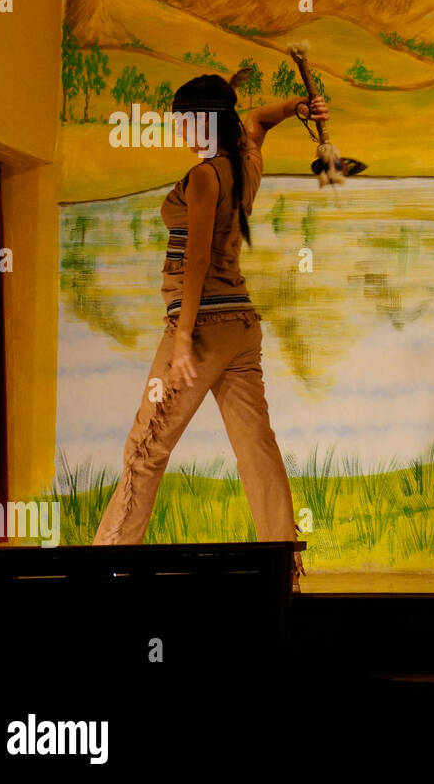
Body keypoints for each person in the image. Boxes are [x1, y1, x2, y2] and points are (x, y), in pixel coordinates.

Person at [92, 73, 323, 592]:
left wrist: (182, 339)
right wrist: (299, 107)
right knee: (257, 449)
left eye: (184, 120)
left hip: (202, 329)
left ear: (203, 121)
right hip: (241, 327)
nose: (179, 129)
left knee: (145, 448)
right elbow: (258, 120)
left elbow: (196, 259)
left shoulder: (203, 176)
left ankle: (106, 565)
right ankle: (281, 569)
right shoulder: (244, 164)